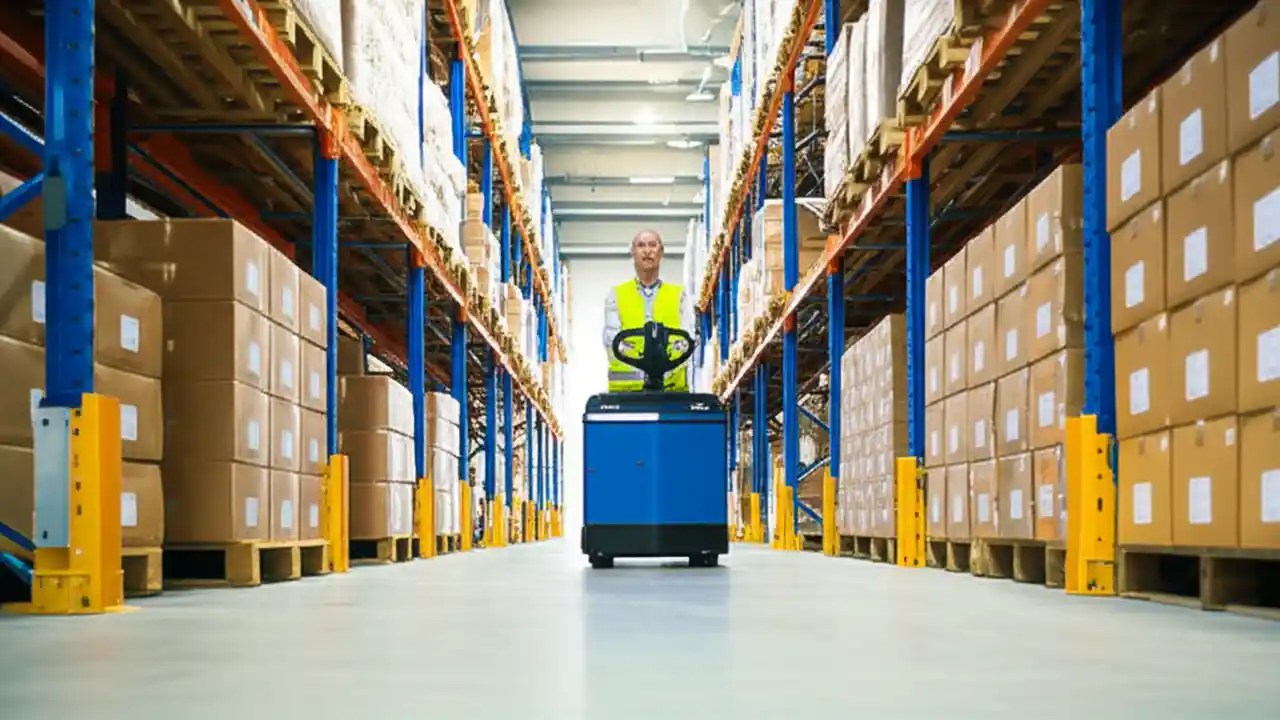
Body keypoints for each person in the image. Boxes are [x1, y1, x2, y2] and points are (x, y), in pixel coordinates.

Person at [602, 229, 693, 392]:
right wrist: (647, 370)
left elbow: (686, 340)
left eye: (653, 245)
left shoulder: (679, 295)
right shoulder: (616, 295)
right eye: (641, 245)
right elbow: (612, 342)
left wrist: (663, 370)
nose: (647, 251)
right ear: (633, 252)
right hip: (625, 396)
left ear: (661, 252)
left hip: (672, 394)